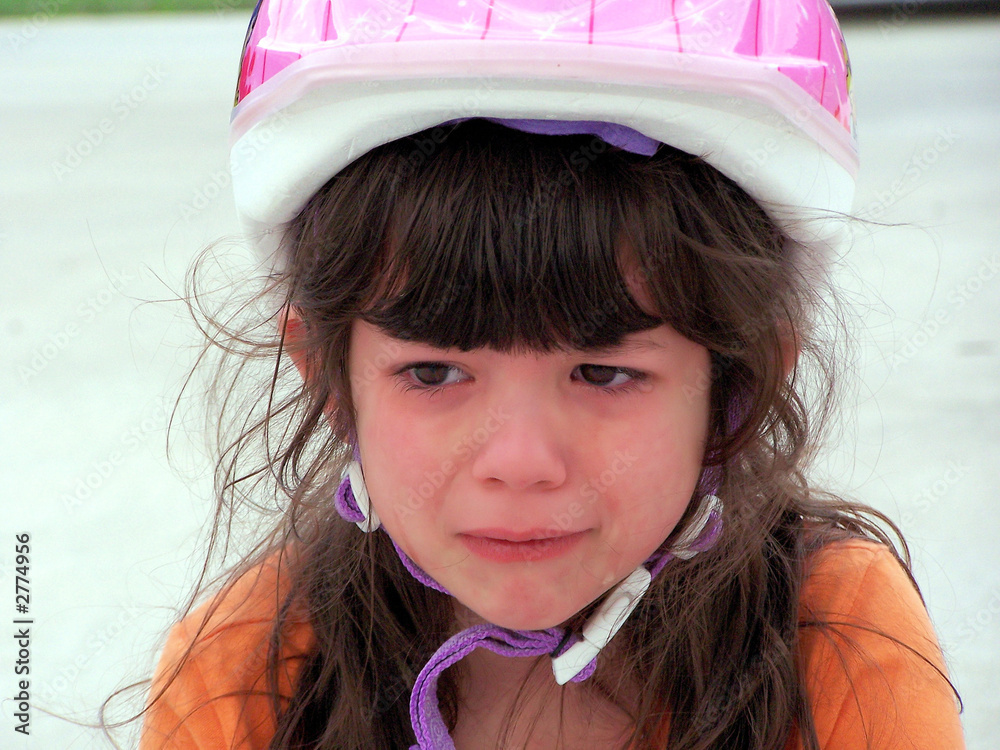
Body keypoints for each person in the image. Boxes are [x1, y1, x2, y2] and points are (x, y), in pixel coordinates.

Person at [136, 0, 964, 747]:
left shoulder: (833, 641)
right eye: (432, 372)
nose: (521, 462)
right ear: (329, 379)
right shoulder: (250, 669)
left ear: (736, 386)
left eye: (602, 374)